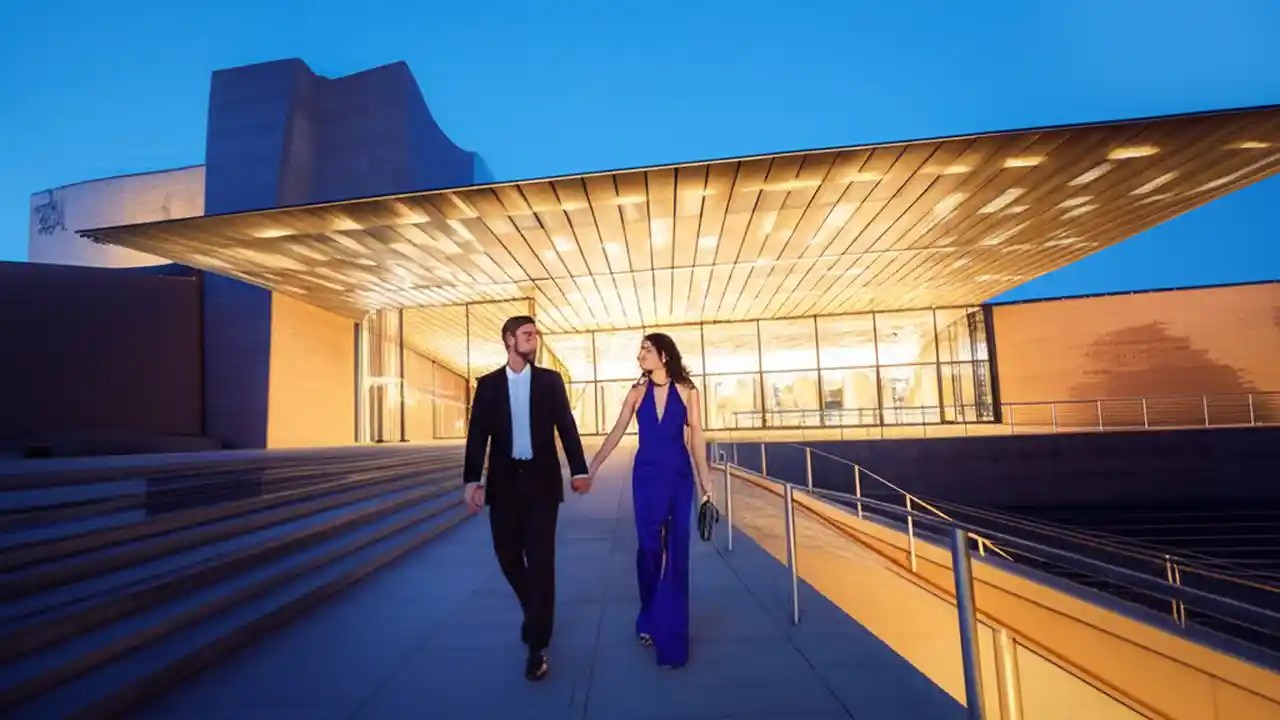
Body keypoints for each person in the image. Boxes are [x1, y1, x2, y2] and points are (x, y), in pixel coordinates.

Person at [462, 315, 591, 681]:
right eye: (527, 335)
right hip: (503, 483)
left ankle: (537, 645)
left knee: (541, 559)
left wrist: (579, 470)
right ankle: (534, 608)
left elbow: (566, 425)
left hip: (541, 483)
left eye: (536, 335)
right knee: (506, 554)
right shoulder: (487, 386)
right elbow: (477, 436)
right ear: (508, 339)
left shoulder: (550, 382)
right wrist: (471, 480)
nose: (534, 340)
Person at [587, 332, 712, 668]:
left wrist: (705, 482)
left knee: (677, 551)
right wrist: (593, 466)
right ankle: (648, 613)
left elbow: (696, 437)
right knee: (649, 550)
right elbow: (616, 431)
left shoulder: (688, 392)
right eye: (640, 350)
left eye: (646, 350)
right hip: (646, 478)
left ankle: (670, 630)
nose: (640, 355)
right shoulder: (636, 393)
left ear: (664, 356)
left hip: (679, 478)